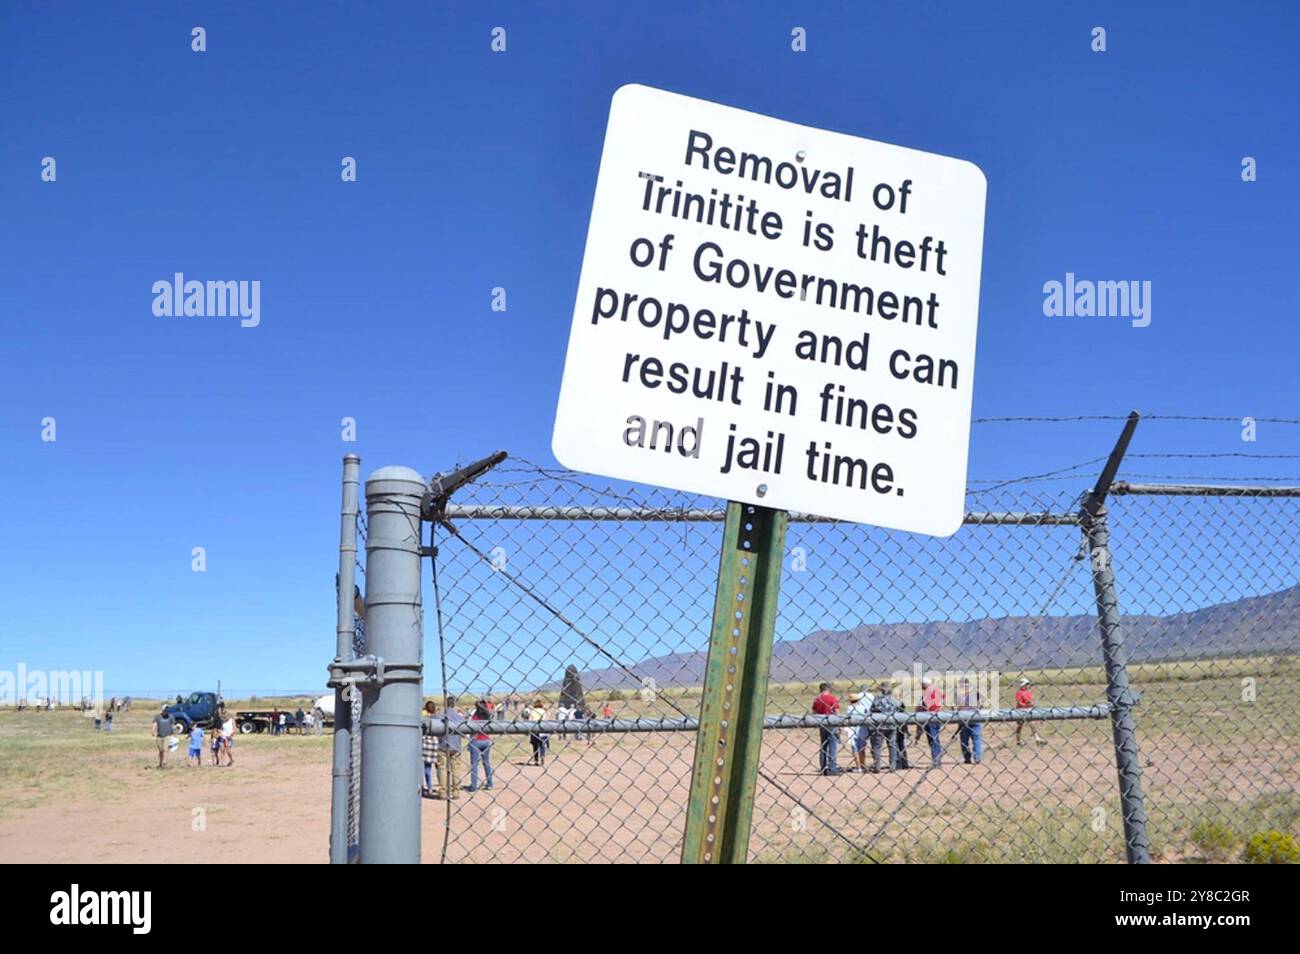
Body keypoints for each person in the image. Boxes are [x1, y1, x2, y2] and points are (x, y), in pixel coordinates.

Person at [869, 683, 903, 772]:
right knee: (892, 745)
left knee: (877, 746)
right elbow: (899, 708)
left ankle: (877, 766)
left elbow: (872, 709)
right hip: (892, 724)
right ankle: (893, 766)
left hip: (879, 725)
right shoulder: (894, 699)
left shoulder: (877, 699)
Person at [811, 682, 841, 775]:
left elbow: (814, 712)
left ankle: (823, 768)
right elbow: (837, 712)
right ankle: (832, 769)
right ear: (828, 689)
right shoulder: (832, 698)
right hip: (831, 723)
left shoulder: (817, 700)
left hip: (822, 724)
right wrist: (839, 726)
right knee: (832, 746)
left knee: (823, 746)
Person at [916, 677, 946, 768]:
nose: (921, 686)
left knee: (933, 739)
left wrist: (919, 710)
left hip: (929, 718)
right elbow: (945, 699)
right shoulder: (938, 691)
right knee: (935, 739)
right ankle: (937, 760)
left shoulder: (926, 693)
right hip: (937, 716)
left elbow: (923, 706)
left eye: (922, 684)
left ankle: (936, 761)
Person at [439, 696, 463, 799]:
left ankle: (443, 792)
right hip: (456, 745)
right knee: (456, 769)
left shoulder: (441, 716)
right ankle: (456, 791)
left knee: (442, 769)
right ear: (454, 704)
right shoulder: (459, 717)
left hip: (443, 745)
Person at [956, 678, 985, 765]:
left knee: (969, 739)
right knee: (972, 739)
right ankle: (975, 757)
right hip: (969, 718)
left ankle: (972, 757)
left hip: (968, 718)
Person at [467, 700, 494, 792]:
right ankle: (489, 783)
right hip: (486, 740)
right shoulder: (487, 716)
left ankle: (474, 785)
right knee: (486, 762)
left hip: (476, 740)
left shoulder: (474, 716)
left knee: (474, 764)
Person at [845, 690, 872, 773]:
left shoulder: (849, 708)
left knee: (855, 749)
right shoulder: (863, 708)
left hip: (852, 730)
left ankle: (858, 767)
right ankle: (863, 765)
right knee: (862, 748)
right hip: (862, 730)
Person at [1015, 678, 1045, 745]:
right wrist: (1026, 705)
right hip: (1021, 711)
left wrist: (1032, 705)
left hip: (1028, 710)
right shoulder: (1019, 692)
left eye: (1028, 684)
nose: (1028, 686)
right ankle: (1018, 741)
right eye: (1026, 684)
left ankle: (1037, 738)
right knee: (1019, 726)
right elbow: (1019, 703)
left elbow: (1030, 701)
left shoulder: (1028, 692)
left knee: (1032, 724)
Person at [421, 701, 439, 796]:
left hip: (427, 744)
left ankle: (430, 787)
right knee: (439, 767)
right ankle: (441, 785)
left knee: (427, 767)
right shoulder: (439, 718)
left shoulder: (425, 719)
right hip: (437, 743)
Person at [526, 699, 549, 766]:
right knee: (542, 745)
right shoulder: (543, 711)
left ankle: (536, 760)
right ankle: (542, 756)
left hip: (534, 729)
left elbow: (530, 720)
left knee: (535, 746)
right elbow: (546, 719)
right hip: (542, 729)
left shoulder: (532, 711)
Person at [152, 705, 175, 769]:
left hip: (167, 735)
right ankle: (160, 763)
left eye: (167, 710)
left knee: (165, 750)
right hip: (159, 736)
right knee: (161, 751)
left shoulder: (171, 716)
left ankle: (165, 763)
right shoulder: (157, 717)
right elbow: (155, 724)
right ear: (162, 710)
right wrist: (153, 731)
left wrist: (173, 733)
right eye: (165, 710)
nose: (166, 711)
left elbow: (173, 725)